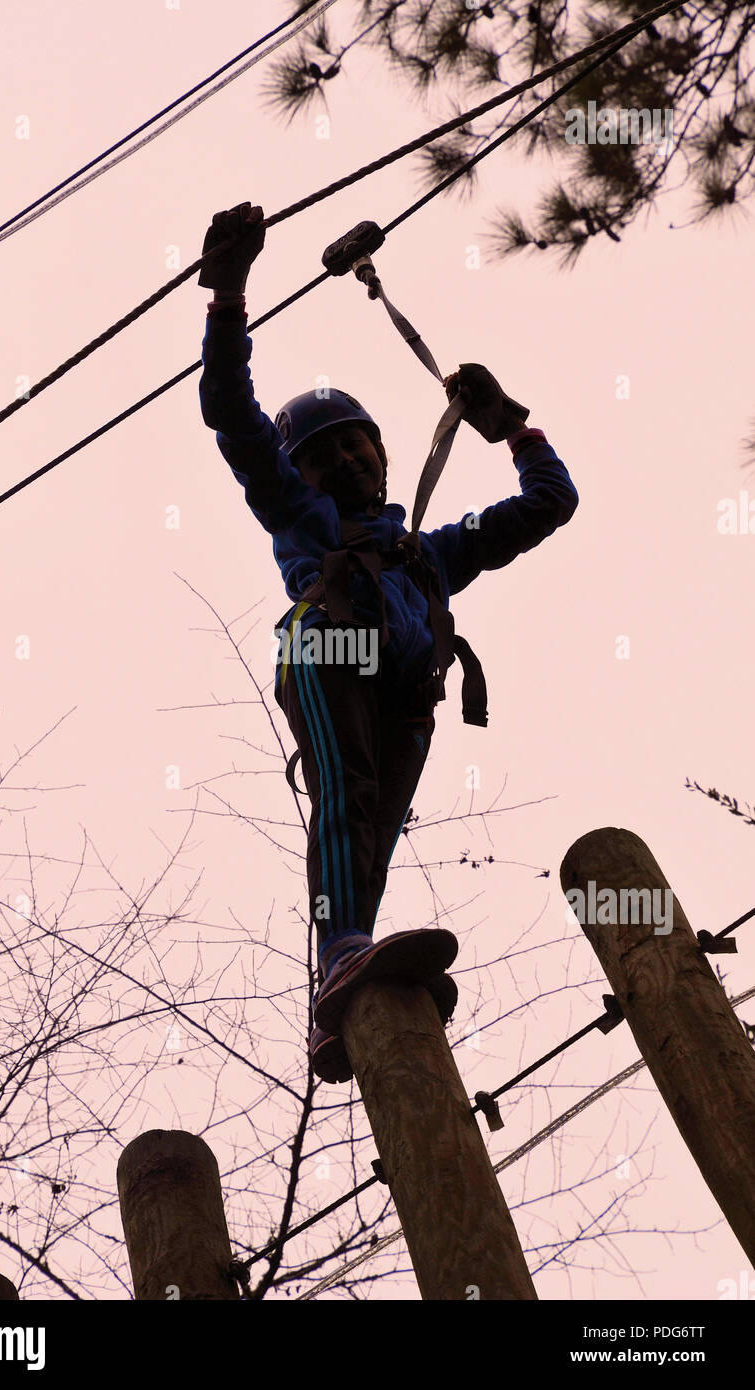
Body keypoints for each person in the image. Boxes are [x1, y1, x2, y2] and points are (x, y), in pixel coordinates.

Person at [198, 202, 579, 1083]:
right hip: (329, 653)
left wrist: (513, 428)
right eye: (322, 455)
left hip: (409, 692)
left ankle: (336, 1000)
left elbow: (548, 505)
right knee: (347, 797)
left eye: (356, 446)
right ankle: (341, 958)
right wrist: (227, 296)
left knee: (370, 834)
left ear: (381, 448)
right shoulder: (302, 513)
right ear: (300, 475)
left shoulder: (427, 556)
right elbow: (232, 415)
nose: (345, 463)